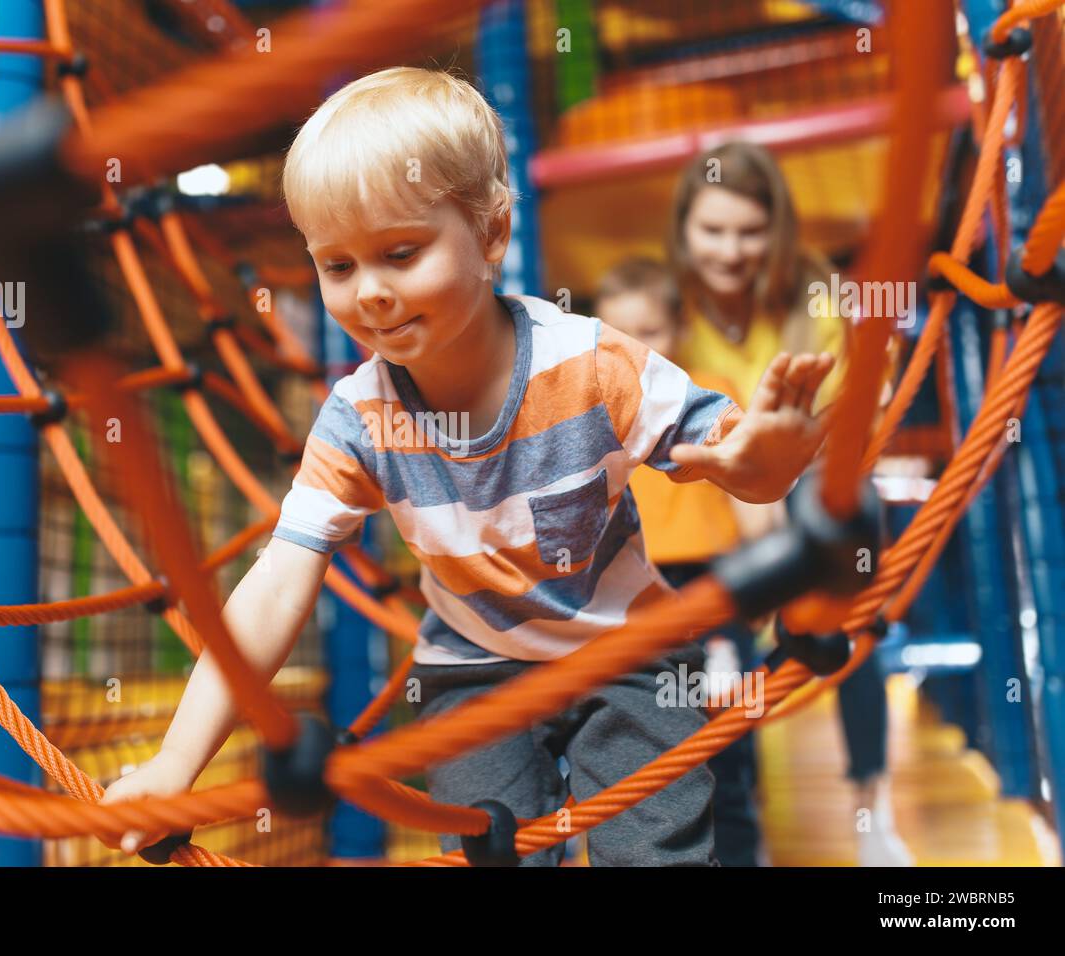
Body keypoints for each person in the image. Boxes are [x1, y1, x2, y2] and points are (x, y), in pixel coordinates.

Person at [101, 69, 834, 866]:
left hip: (630, 653)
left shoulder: (594, 366)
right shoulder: (359, 419)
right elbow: (277, 583)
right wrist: (177, 763)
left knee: (658, 846)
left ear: (491, 235)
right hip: (473, 673)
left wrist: (766, 463)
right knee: (489, 847)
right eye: (337, 267)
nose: (371, 293)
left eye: (401, 253)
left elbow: (740, 468)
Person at [668, 140, 913, 867]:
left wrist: (777, 483)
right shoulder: (671, 314)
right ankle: (740, 816)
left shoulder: (821, 299)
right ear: (683, 231)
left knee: (850, 621)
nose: (732, 250)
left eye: (750, 231)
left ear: (778, 231)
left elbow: (850, 429)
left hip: (807, 498)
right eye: (713, 231)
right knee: (710, 653)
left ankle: (873, 807)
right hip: (714, 516)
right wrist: (744, 487)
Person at [594, 256, 768, 866]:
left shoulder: (709, 393)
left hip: (711, 590)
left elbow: (751, 495)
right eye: (621, 335)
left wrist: (766, 582)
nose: (638, 349)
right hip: (631, 591)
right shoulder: (596, 408)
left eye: (653, 331)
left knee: (726, 743)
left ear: (679, 328)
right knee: (644, 736)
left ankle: (744, 853)